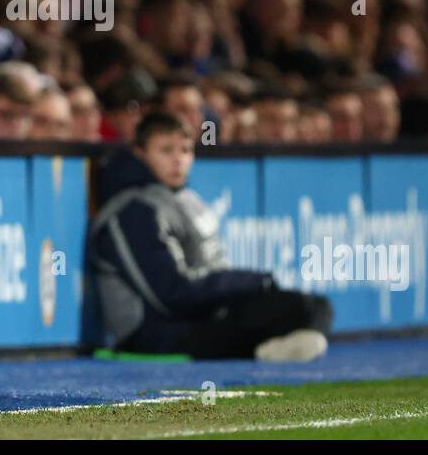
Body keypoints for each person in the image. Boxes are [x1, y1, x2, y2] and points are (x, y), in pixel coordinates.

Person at [87, 110, 332, 361]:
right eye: (166, 150)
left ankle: (270, 348)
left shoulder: (187, 199)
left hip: (205, 313)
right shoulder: (133, 211)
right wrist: (248, 282)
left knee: (313, 306)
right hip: (155, 333)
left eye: (185, 150)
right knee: (282, 312)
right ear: (140, 153)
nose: (177, 160)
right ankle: (265, 349)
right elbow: (171, 294)